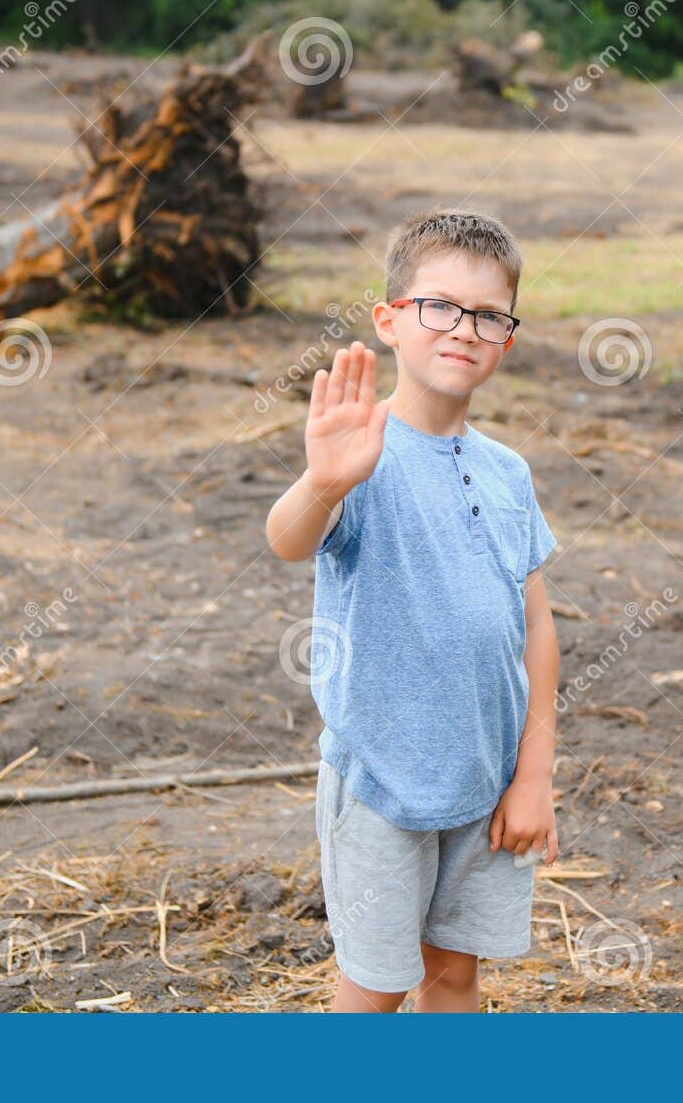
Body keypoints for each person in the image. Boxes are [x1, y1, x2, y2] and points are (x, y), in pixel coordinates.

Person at [265, 208, 560, 1012]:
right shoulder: (363, 453)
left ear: (507, 336)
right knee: (376, 986)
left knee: (454, 974)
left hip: (487, 782)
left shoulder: (509, 473)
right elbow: (287, 539)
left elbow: (536, 629)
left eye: (488, 314)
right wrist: (324, 480)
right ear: (391, 320)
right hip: (382, 784)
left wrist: (533, 776)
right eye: (439, 306)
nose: (463, 328)